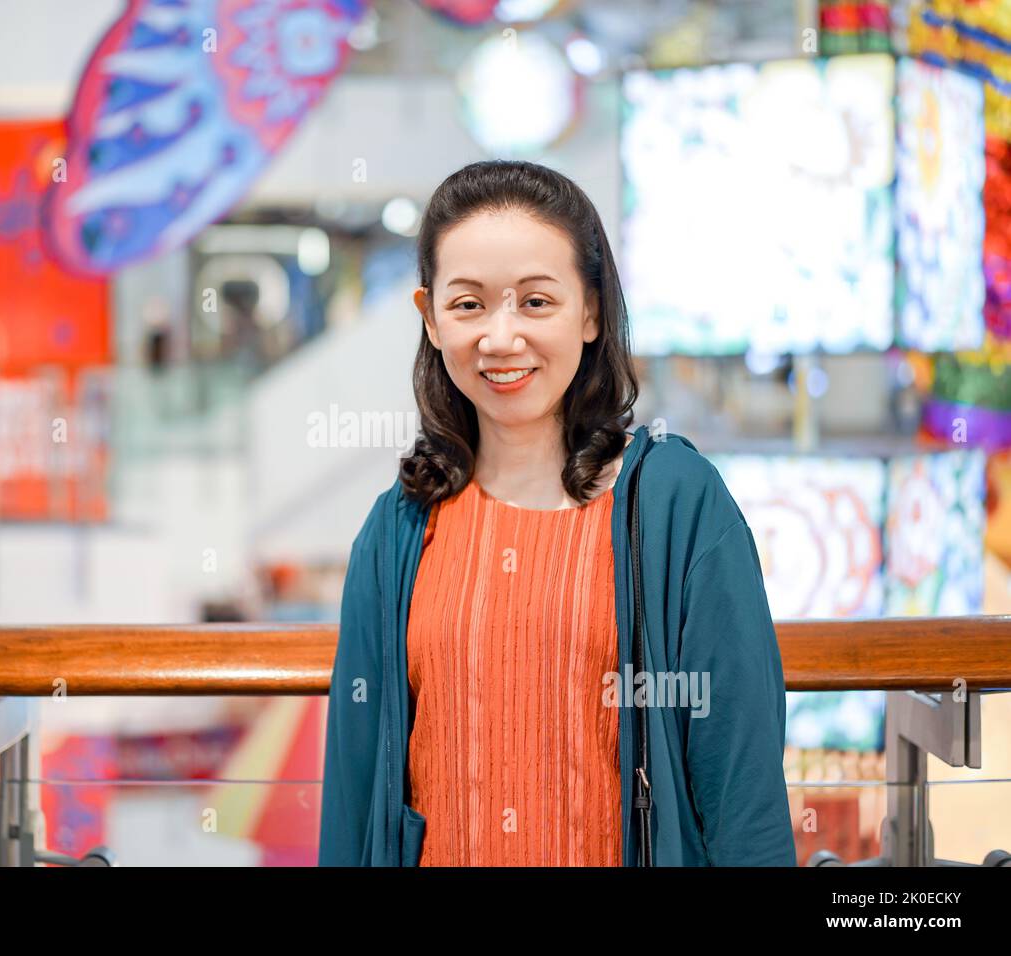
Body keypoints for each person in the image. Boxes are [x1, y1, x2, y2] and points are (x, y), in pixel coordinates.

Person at [318, 159, 795, 866]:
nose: (501, 337)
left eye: (536, 302)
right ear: (430, 316)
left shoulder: (674, 501)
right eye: (469, 304)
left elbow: (742, 786)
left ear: (592, 311)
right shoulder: (399, 528)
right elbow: (354, 794)